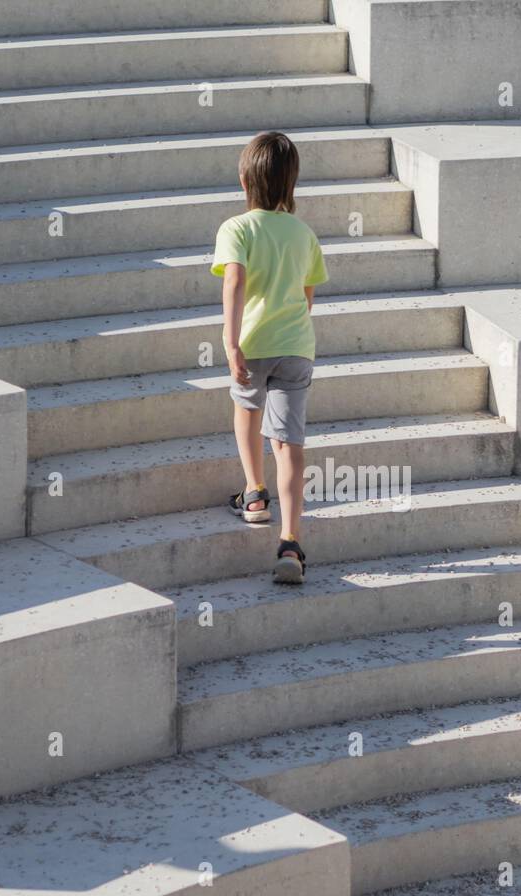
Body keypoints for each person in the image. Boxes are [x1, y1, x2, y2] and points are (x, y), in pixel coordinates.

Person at [211, 131, 329, 583]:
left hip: (253, 343)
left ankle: (255, 493)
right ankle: (291, 543)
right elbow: (307, 295)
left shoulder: (236, 228)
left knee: (245, 407)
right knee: (289, 443)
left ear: (245, 183)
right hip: (297, 346)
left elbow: (234, 282)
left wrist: (231, 340)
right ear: (291, 185)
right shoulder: (303, 233)